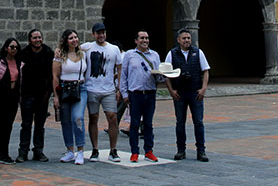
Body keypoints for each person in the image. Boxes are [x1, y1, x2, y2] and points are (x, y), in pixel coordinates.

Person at [119, 30, 176, 163]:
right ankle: (134, 152)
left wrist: (163, 75)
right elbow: (124, 75)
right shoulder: (129, 55)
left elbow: (158, 76)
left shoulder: (154, 55)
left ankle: (149, 151)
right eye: (142, 38)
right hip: (135, 94)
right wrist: (124, 94)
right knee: (134, 124)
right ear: (136, 41)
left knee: (148, 124)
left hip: (150, 93)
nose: (145, 41)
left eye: (147, 38)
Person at [165, 28, 211, 162]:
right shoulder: (172, 54)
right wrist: (171, 91)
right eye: (184, 38)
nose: (186, 40)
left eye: (188, 38)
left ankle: (201, 150)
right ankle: (181, 150)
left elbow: (206, 70)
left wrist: (203, 89)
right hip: (180, 93)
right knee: (180, 122)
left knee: (198, 122)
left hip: (195, 92)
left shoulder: (198, 52)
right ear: (178, 40)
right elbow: (166, 74)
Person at [82, 22, 122, 161]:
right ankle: (95, 149)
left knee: (112, 117)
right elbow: (72, 50)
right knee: (93, 118)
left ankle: (113, 149)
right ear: (93, 34)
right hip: (92, 88)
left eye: (103, 32)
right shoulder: (86, 47)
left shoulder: (114, 49)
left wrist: (119, 88)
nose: (101, 35)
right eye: (98, 33)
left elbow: (119, 68)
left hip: (109, 89)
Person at [16, 29, 53, 162]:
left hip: (43, 95)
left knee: (40, 124)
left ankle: (38, 150)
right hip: (27, 94)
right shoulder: (24, 53)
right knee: (26, 124)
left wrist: (48, 93)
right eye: (35, 38)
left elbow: (51, 74)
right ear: (29, 40)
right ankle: (23, 151)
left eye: (39, 37)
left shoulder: (48, 52)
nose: (38, 40)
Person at [53, 28, 88, 164]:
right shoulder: (60, 55)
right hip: (64, 89)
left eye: (76, 37)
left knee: (77, 117)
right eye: (71, 38)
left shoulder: (84, 53)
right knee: (66, 120)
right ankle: (69, 150)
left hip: (80, 88)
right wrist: (56, 96)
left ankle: (80, 150)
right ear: (66, 41)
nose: (74, 40)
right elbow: (55, 76)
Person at [0, 37, 21, 164]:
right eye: (11, 47)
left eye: (16, 47)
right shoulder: (0, 62)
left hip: (13, 96)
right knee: (3, 125)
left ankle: (3, 151)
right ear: (6, 48)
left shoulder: (19, 63)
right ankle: (2, 152)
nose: (14, 49)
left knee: (9, 125)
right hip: (2, 97)